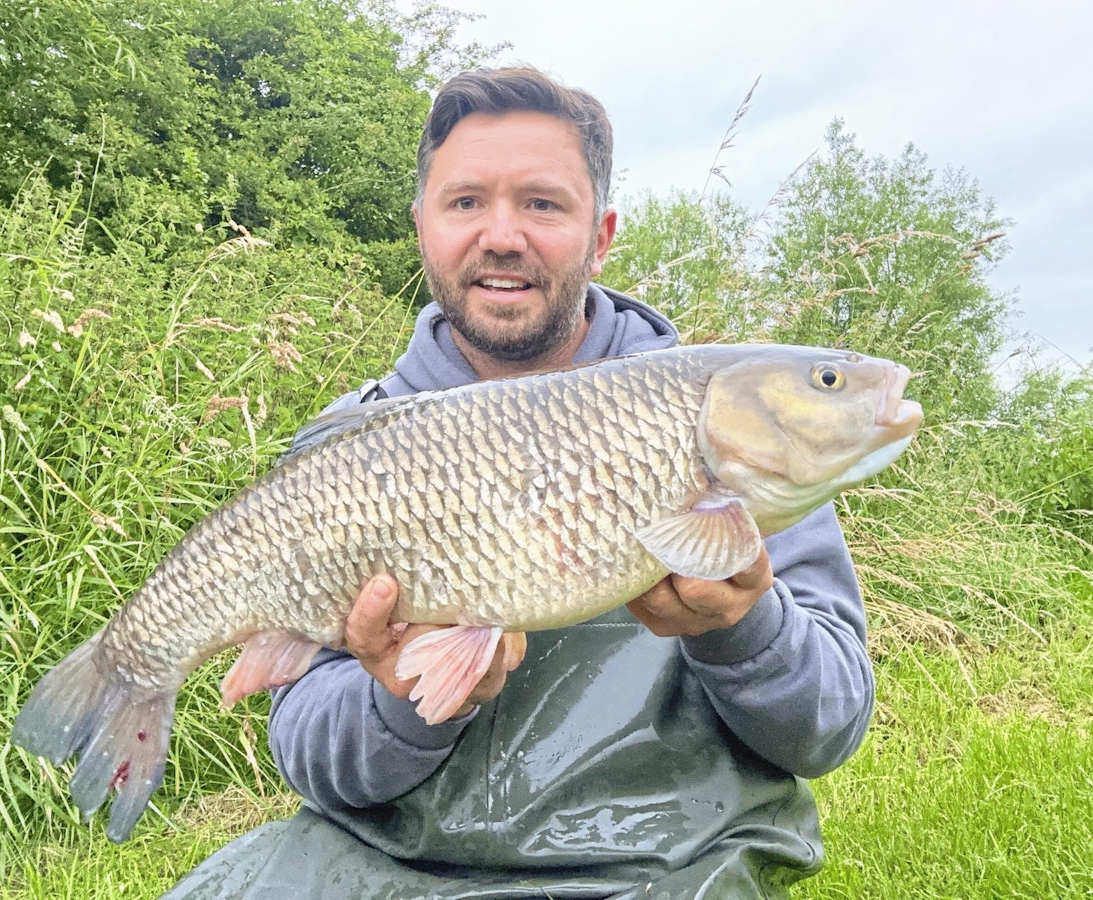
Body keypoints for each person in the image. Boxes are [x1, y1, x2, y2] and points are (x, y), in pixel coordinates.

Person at [165, 66, 874, 900]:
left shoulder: (730, 439)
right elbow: (314, 762)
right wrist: (406, 700)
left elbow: (828, 728)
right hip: (397, 865)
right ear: (422, 226)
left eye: (542, 204)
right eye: (465, 202)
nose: (502, 235)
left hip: (667, 860)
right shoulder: (352, 444)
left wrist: (741, 628)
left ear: (601, 234)